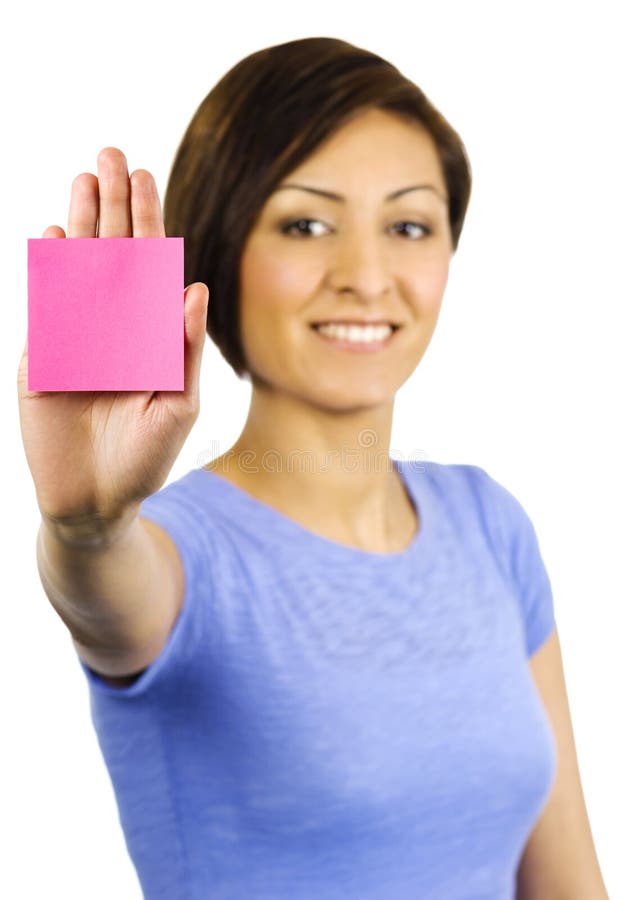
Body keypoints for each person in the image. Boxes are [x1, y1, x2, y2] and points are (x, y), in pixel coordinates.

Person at [18, 36, 608, 900]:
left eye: (408, 225)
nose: (367, 276)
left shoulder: (489, 523)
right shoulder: (179, 553)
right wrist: (84, 523)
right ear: (222, 249)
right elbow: (103, 587)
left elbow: (569, 886)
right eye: (306, 224)